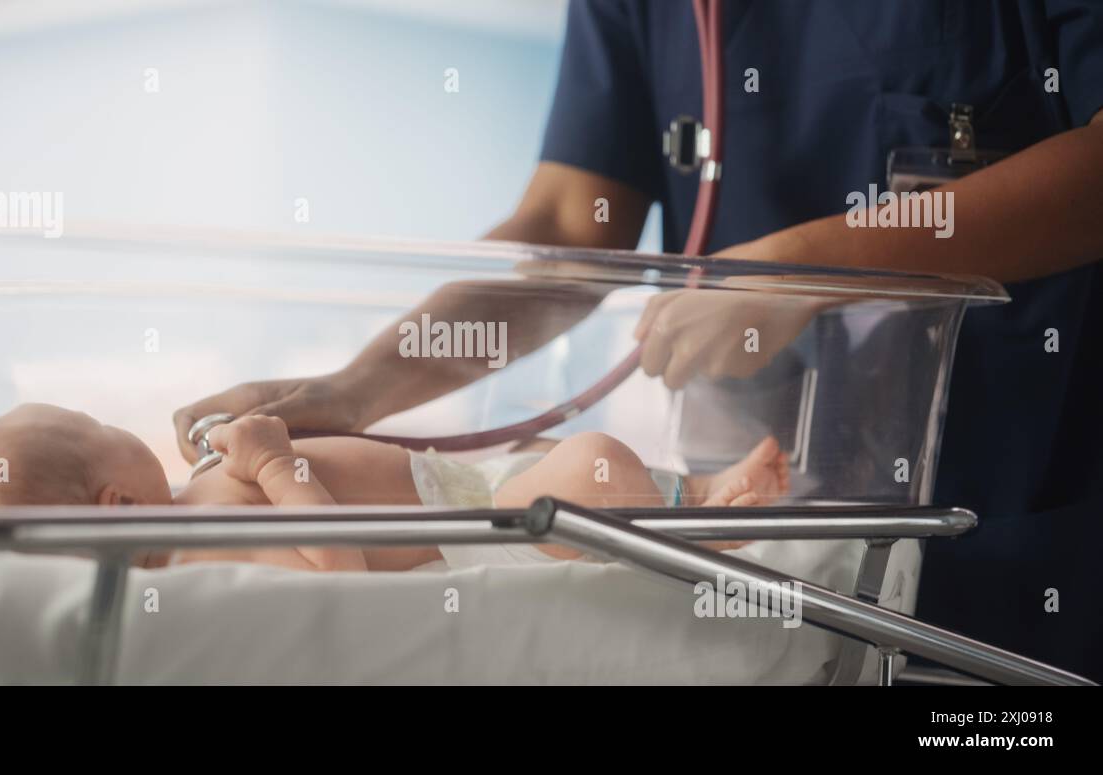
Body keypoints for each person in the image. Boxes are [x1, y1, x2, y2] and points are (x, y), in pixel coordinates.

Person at [175, 1, 1103, 679]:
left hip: (1023, 522)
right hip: (748, 548)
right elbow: (575, 225)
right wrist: (351, 394)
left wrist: (813, 266)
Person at [0, 404, 788, 570]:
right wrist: (271, 462)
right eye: (108, 431)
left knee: (559, 450)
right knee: (588, 466)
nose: (128, 425)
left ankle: (704, 492)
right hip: (476, 525)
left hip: (458, 483)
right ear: (115, 502)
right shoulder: (200, 552)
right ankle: (697, 540)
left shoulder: (191, 503)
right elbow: (338, 575)